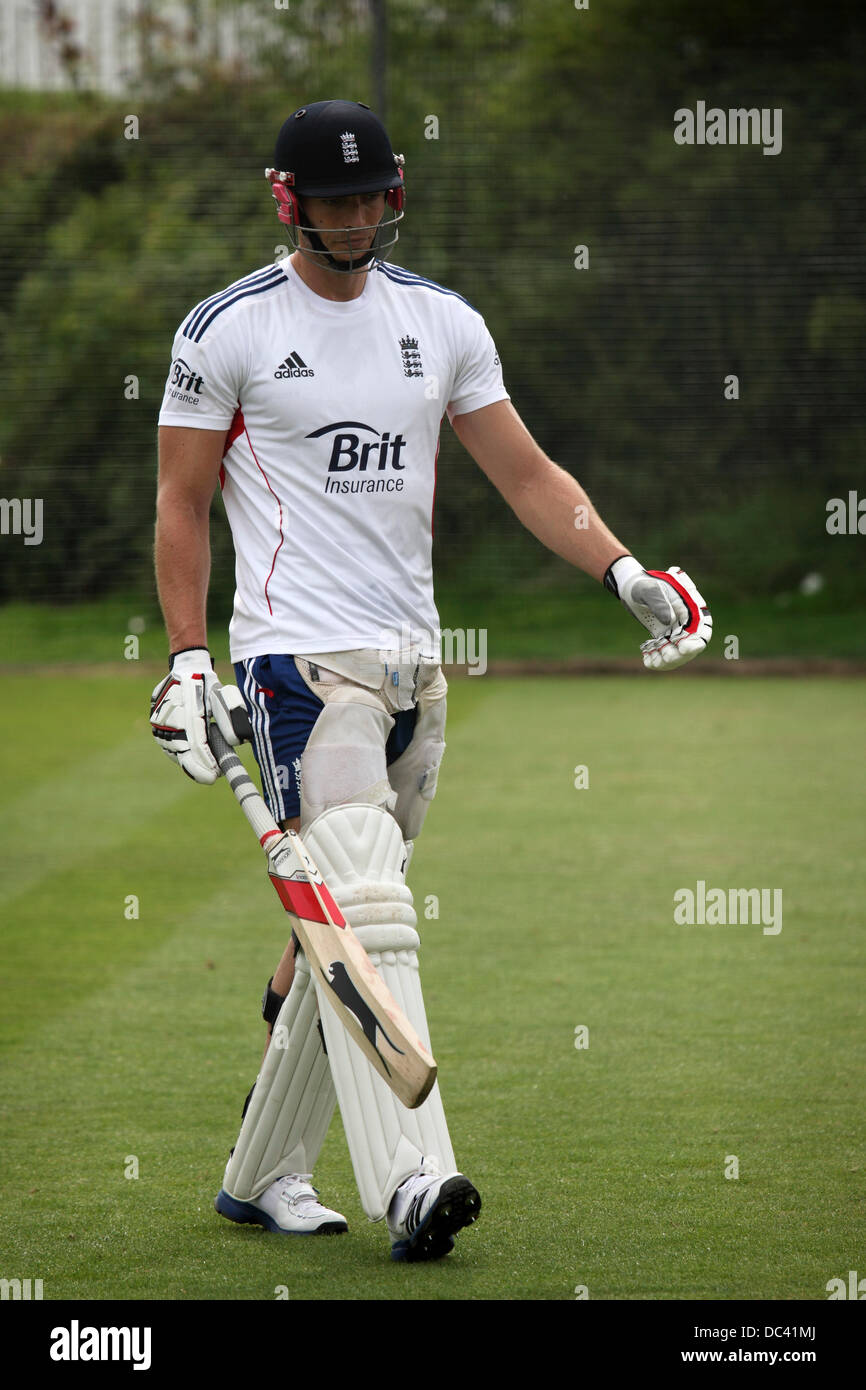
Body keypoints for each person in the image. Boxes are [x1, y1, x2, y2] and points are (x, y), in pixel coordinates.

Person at [150, 99, 712, 1263]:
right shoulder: (228, 330)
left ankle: (261, 1178)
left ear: (393, 191)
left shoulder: (441, 322)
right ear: (285, 199)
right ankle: (416, 1179)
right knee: (368, 905)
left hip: (418, 663)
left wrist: (619, 568)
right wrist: (188, 656)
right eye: (333, 201)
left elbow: (522, 471)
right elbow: (182, 502)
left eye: (370, 198)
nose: (355, 221)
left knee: (346, 924)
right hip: (294, 660)